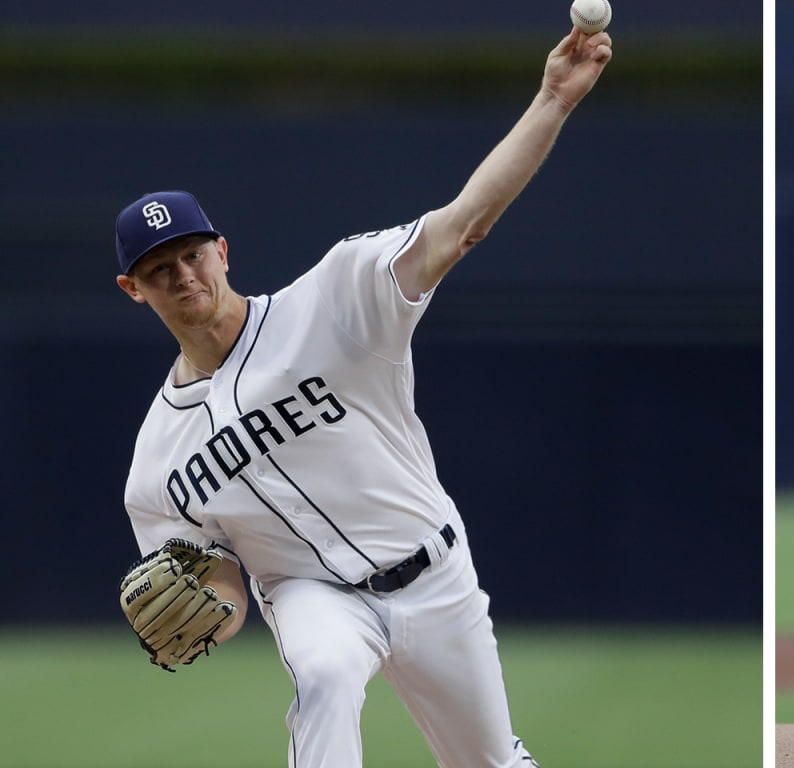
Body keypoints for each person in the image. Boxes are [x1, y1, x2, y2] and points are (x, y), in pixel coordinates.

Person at [112, 27, 612, 768]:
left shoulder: (337, 298)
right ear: (134, 289)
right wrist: (213, 615)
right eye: (161, 270)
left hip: (434, 572)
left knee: (489, 762)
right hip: (311, 595)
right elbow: (218, 584)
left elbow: (462, 224)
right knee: (323, 673)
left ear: (222, 251)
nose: (184, 275)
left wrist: (552, 101)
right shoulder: (156, 463)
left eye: (192, 254)